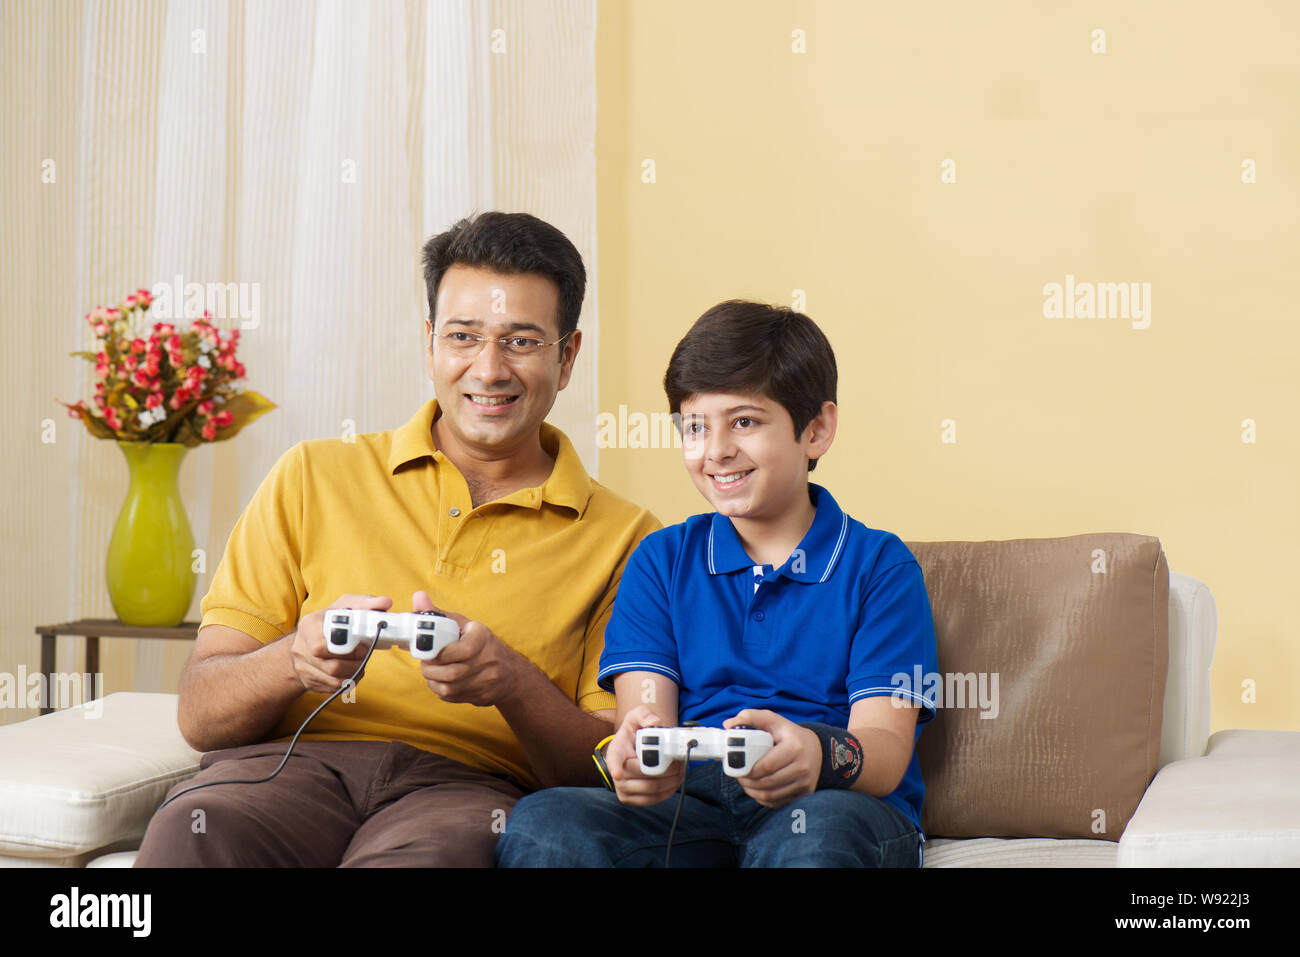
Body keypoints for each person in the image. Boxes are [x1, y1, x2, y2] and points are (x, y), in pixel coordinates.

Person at [134, 211, 659, 867]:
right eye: (463, 336)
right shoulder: (312, 475)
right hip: (290, 768)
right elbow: (200, 715)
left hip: (468, 790)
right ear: (431, 342)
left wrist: (511, 683)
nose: (488, 369)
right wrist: (293, 658)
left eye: (521, 342)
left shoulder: (631, 539)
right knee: (194, 828)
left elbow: (616, 767)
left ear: (568, 355)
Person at [495, 300, 939, 867]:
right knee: (544, 824)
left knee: (817, 837)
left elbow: (885, 749)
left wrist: (816, 753)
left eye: (745, 422)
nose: (717, 450)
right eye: (696, 426)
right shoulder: (661, 560)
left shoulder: (879, 566)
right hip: (692, 804)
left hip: (831, 803)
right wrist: (637, 759)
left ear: (817, 430)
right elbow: (646, 717)